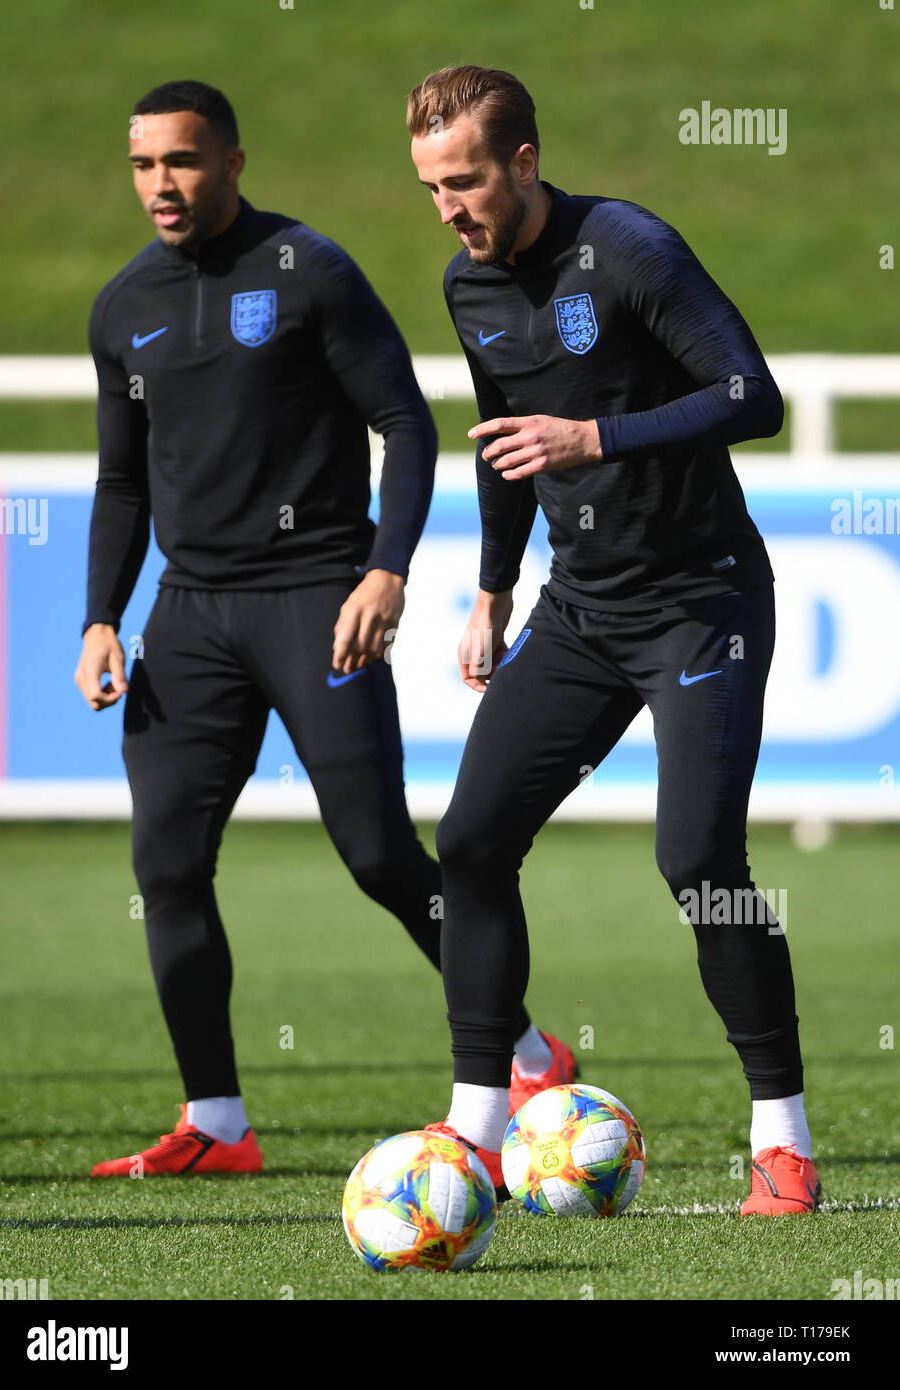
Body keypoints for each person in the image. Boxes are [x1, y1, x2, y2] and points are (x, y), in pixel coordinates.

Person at [75, 80, 573, 1177]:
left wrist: (384, 570)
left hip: (316, 600)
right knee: (165, 863)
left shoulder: (309, 273)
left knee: (378, 853)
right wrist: (100, 618)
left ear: (233, 162)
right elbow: (120, 479)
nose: (162, 184)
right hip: (189, 615)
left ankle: (530, 1052)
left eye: (183, 161)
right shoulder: (122, 307)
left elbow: (406, 422)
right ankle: (216, 1123)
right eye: (144, 164)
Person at [408, 65, 820, 1214]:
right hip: (579, 610)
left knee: (698, 864)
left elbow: (752, 393)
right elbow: (503, 445)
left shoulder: (629, 248)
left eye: (467, 180)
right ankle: (475, 1128)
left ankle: (780, 1138)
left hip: (701, 601)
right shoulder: (466, 286)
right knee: (471, 839)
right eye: (432, 187)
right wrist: (490, 589)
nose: (449, 206)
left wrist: (598, 434)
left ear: (524, 163)